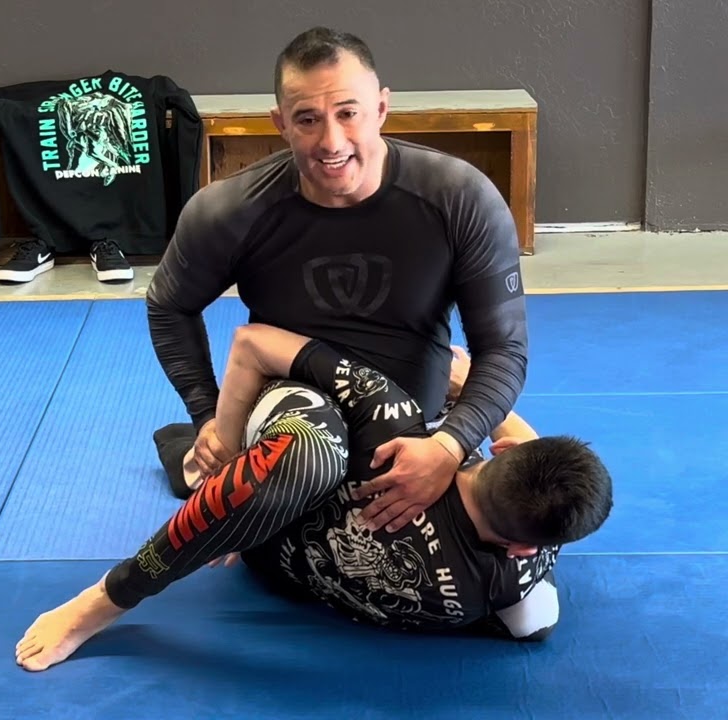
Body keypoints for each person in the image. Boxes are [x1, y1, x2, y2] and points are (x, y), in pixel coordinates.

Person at [14, 324, 613, 672]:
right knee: (535, 621)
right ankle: (208, 471)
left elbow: (251, 343)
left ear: (498, 452)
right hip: (284, 564)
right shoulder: (519, 574)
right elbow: (532, 600)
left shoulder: (391, 423)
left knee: (309, 446)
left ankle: (106, 597)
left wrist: (472, 391)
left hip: (256, 516)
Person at [145, 26, 529, 535]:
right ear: (281, 123)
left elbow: (504, 348)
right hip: (295, 430)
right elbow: (169, 305)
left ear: (381, 108)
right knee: (296, 491)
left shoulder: (460, 198)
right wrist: (208, 417)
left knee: (526, 528)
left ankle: (192, 459)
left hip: (414, 427)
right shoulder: (230, 212)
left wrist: (449, 446)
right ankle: (194, 457)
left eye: (348, 113)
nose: (331, 141)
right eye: (308, 119)